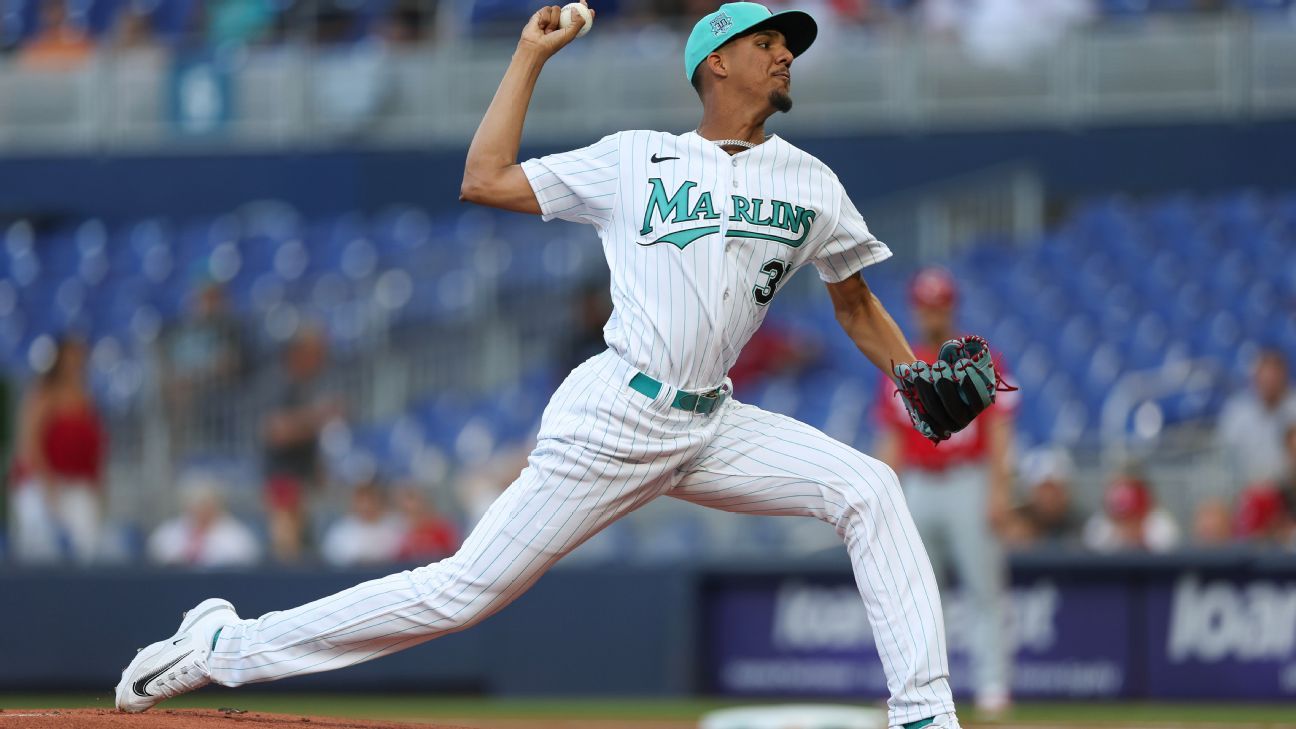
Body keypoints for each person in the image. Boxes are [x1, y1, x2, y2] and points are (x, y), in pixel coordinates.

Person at [117, 5, 997, 727]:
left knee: (870, 490)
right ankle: (222, 647)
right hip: (617, 414)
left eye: (787, 46)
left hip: (712, 421)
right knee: (460, 592)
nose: (784, 57)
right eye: (766, 42)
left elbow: (852, 301)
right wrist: (529, 57)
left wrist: (909, 370)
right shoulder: (636, 158)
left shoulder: (812, 182)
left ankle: (925, 715)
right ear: (715, 63)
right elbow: (484, 176)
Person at [874, 267, 1016, 718]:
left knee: (983, 588)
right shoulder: (901, 361)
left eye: (939, 304)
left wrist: (998, 490)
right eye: (925, 304)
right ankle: (917, 688)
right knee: (914, 595)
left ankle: (992, 684)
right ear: (915, 308)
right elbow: (892, 440)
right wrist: (880, 495)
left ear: (951, 307)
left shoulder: (978, 358)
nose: (932, 313)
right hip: (918, 482)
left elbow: (999, 430)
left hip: (967, 480)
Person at [8, 336, 106, 564]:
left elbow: (94, 446)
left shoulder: (86, 395)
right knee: (40, 547)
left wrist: (98, 483)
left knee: (86, 545)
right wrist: (47, 481)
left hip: (78, 483)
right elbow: (30, 442)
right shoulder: (43, 394)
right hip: (44, 482)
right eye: (70, 355)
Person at [261, 326, 344, 563]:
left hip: (302, 478)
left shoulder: (309, 384)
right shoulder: (280, 381)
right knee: (287, 548)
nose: (321, 358)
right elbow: (276, 430)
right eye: (315, 351)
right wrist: (318, 416)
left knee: (303, 546)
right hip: (282, 479)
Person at [1215, 348, 1296, 491]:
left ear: (1284, 377)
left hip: (1288, 489)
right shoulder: (1237, 412)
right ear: (1255, 378)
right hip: (1246, 490)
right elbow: (1224, 459)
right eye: (1265, 377)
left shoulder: (1293, 406)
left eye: (1274, 377)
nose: (1270, 383)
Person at [147, 472, 262, 568]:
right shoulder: (169, 531)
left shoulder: (237, 535)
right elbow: (158, 556)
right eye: (196, 504)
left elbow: (244, 559)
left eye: (206, 503)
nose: (201, 510)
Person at [1082, 472, 1180, 553]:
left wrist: (1142, 537)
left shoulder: (1160, 523)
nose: (1129, 525)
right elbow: (1094, 552)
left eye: (1134, 517)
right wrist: (1116, 537)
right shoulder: (1100, 524)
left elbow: (1166, 551)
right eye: (1123, 519)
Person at [319, 481, 407, 567]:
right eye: (362, 501)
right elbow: (333, 559)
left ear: (379, 501)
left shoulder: (396, 525)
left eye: (370, 500)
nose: (366, 506)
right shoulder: (341, 530)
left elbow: (402, 555)